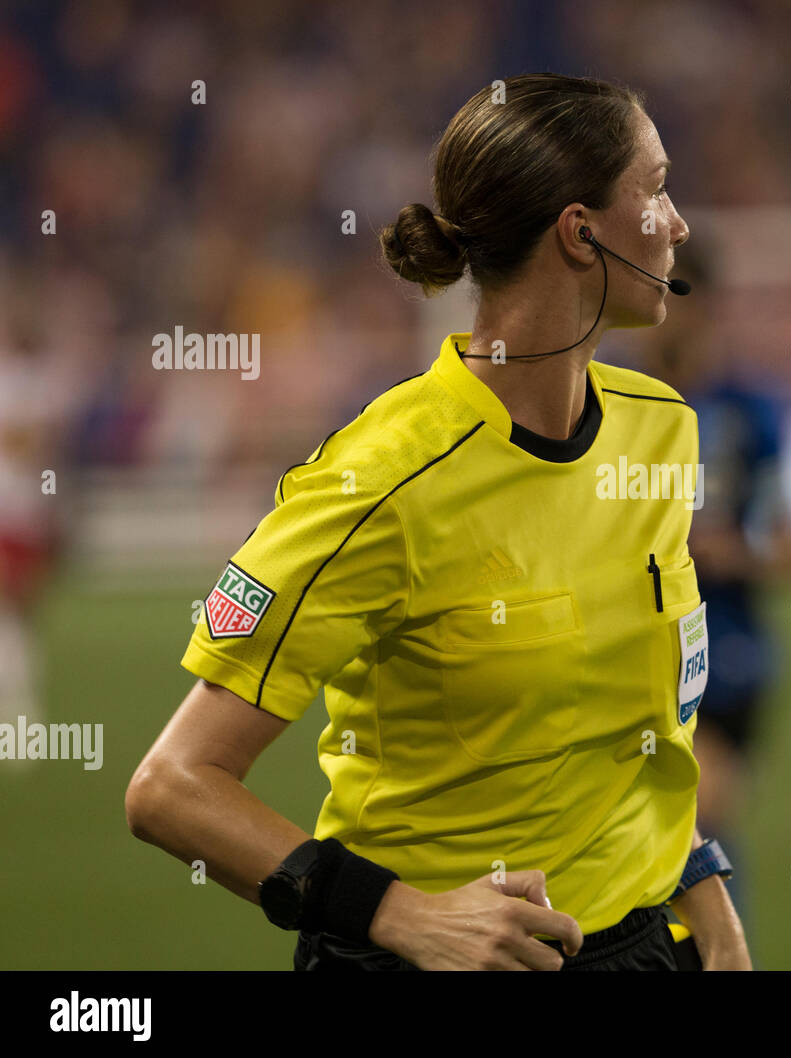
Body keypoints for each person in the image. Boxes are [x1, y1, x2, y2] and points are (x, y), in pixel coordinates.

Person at [126, 73, 752, 971]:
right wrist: (398, 915)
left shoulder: (661, 429)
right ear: (580, 231)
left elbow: (638, 736)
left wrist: (708, 904)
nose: (678, 221)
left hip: (646, 946)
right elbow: (170, 789)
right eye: (655, 188)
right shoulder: (380, 480)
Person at [634, 246, 791, 943]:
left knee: (700, 813)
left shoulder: (748, 414)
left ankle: (721, 952)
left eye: (683, 295)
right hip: (635, 645)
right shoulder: (613, 403)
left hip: (726, 648)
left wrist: (727, 553)